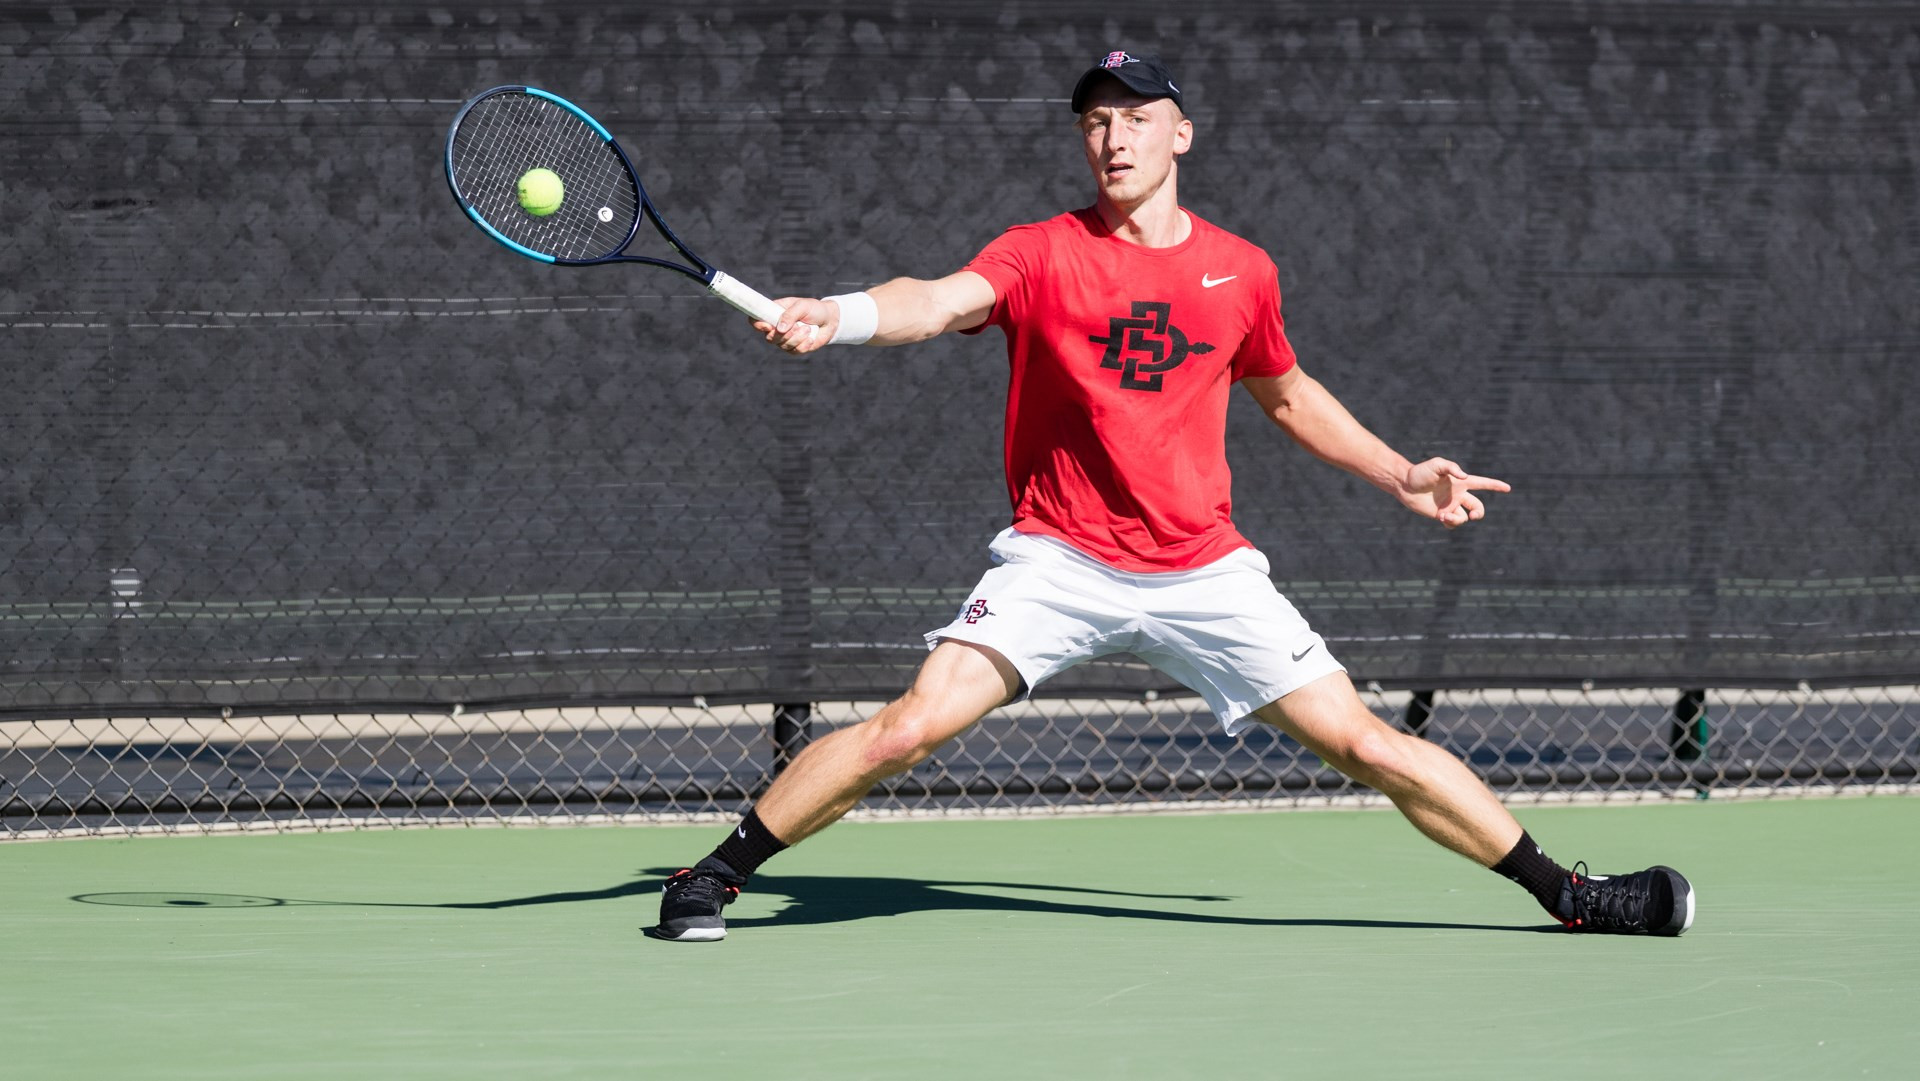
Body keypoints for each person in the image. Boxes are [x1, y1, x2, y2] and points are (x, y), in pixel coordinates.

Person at [650, 50, 1694, 942]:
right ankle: (714, 873)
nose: (1114, 140)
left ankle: (1575, 895)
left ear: (1180, 135)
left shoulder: (1242, 273)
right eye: (1096, 123)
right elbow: (933, 299)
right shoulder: (1038, 253)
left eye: (1136, 120)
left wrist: (1399, 471)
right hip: (1060, 560)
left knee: (1370, 744)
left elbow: (1286, 395)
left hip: (1202, 568)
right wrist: (840, 314)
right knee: (909, 728)